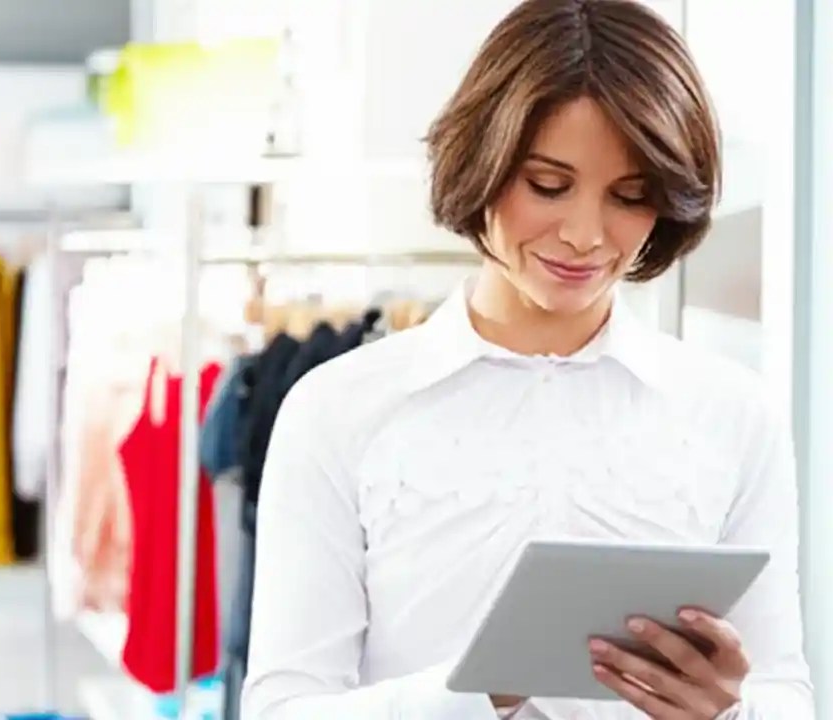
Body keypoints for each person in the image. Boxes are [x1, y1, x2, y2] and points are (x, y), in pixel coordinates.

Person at [241, 1, 813, 719]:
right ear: (484, 161)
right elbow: (282, 709)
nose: (584, 234)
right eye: (548, 185)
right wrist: (481, 687)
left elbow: (785, 692)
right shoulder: (339, 410)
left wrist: (729, 712)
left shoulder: (731, 413)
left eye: (630, 197)